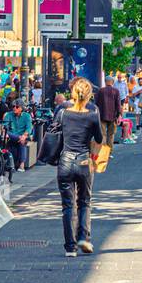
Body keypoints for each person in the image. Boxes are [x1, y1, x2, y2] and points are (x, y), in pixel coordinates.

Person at [53, 78, 103, 257]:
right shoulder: (92, 114)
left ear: (73, 93)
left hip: (65, 161)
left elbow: (55, 131)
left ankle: (70, 247)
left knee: (67, 205)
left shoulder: (64, 113)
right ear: (89, 95)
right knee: (84, 201)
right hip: (83, 161)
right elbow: (99, 139)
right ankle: (83, 238)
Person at [6, 100, 33, 172]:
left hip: (23, 135)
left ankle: (22, 164)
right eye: (13, 106)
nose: (14, 108)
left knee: (22, 141)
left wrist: (24, 135)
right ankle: (21, 165)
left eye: (17, 107)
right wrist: (20, 137)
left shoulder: (27, 116)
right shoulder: (9, 115)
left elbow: (29, 128)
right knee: (10, 134)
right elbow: (4, 126)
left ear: (21, 108)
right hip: (12, 136)